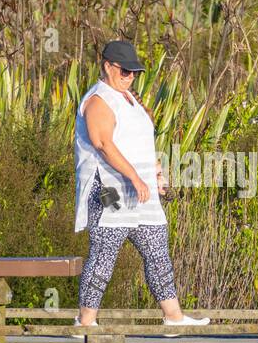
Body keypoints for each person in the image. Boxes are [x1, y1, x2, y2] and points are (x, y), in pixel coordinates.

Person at [73, 41, 208, 327]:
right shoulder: (99, 99)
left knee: (157, 251)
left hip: (140, 193)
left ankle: (174, 316)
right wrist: (134, 177)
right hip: (109, 191)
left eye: (134, 72)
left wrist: (153, 174)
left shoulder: (130, 99)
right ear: (108, 66)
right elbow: (102, 143)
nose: (130, 77)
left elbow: (138, 144)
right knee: (104, 254)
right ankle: (85, 322)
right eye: (124, 71)